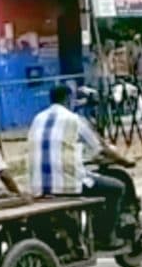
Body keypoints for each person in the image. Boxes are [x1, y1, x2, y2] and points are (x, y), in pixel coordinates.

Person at [28, 85, 136, 250]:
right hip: (68, 185)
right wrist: (125, 162)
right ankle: (106, 237)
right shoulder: (74, 119)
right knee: (117, 187)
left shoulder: (37, 119)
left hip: (38, 185)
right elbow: (102, 148)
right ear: (68, 99)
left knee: (93, 180)